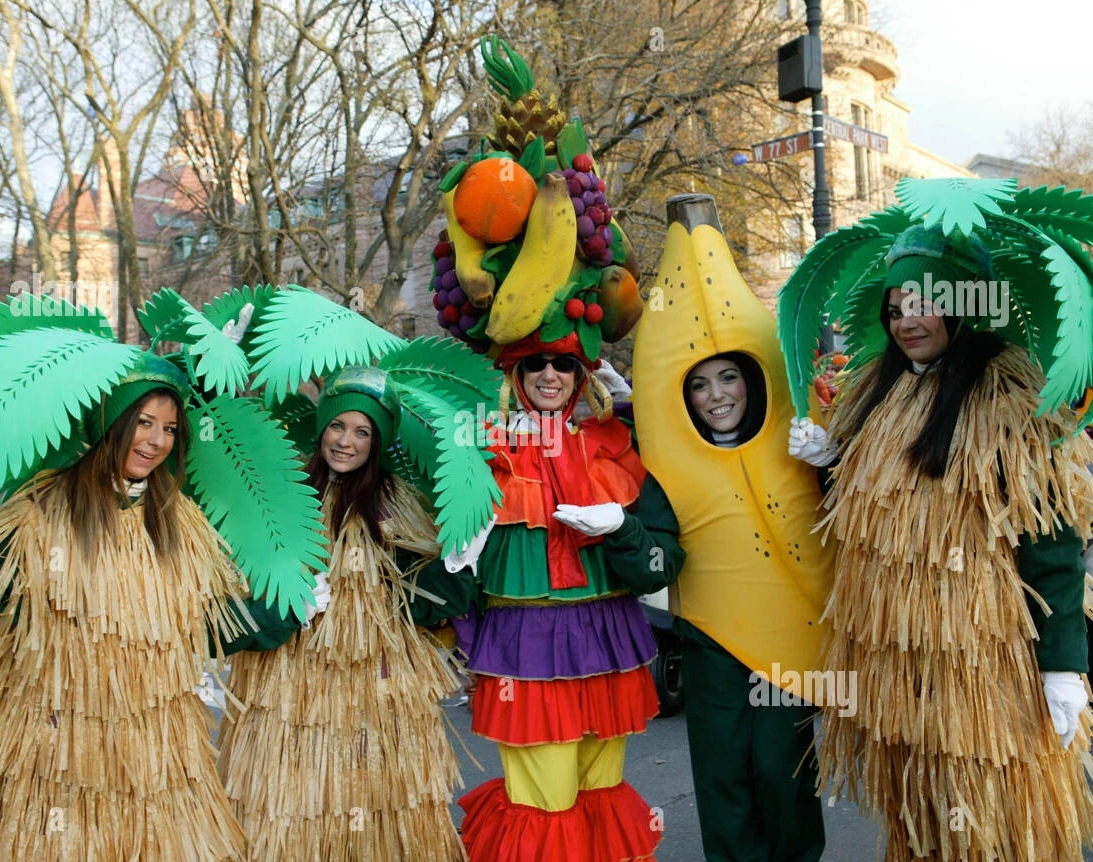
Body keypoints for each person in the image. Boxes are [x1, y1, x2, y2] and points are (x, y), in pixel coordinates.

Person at [0, 354, 312, 861]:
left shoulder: (180, 521)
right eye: (144, 422)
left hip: (154, 765)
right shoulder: (41, 513)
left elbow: (210, 626)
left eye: (170, 428)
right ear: (111, 422)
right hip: (50, 760)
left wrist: (287, 609)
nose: (155, 441)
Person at [789, 224, 1093, 860]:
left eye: (924, 303)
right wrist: (830, 462)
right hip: (896, 661)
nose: (906, 321)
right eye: (896, 307)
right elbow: (870, 516)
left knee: (993, 812)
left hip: (981, 659)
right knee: (919, 812)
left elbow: (1051, 539)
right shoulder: (877, 387)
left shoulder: (1010, 397)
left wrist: (1064, 664)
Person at [630, 193, 835, 862]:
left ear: (751, 380)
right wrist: (622, 537)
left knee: (783, 775)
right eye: (699, 385)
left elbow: (855, 521)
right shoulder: (666, 468)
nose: (717, 395)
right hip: (714, 647)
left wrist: (832, 467)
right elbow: (651, 557)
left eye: (729, 378)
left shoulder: (799, 443)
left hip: (788, 639)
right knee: (724, 785)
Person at [216, 365, 478, 861]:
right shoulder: (280, 496)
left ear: (378, 442)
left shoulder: (397, 504)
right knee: (285, 818)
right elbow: (224, 614)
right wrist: (278, 609)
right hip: (286, 702)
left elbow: (426, 606)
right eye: (337, 426)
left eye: (363, 432)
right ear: (321, 428)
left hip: (379, 697)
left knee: (377, 823)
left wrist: (457, 565)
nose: (345, 442)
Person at [453, 332, 670, 862]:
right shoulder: (484, 447)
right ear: (515, 375)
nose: (550, 376)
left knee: (601, 785)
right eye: (535, 364)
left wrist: (635, 406)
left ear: (582, 375)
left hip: (608, 639)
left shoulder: (610, 439)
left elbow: (686, 441)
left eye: (565, 365)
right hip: (525, 643)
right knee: (544, 797)